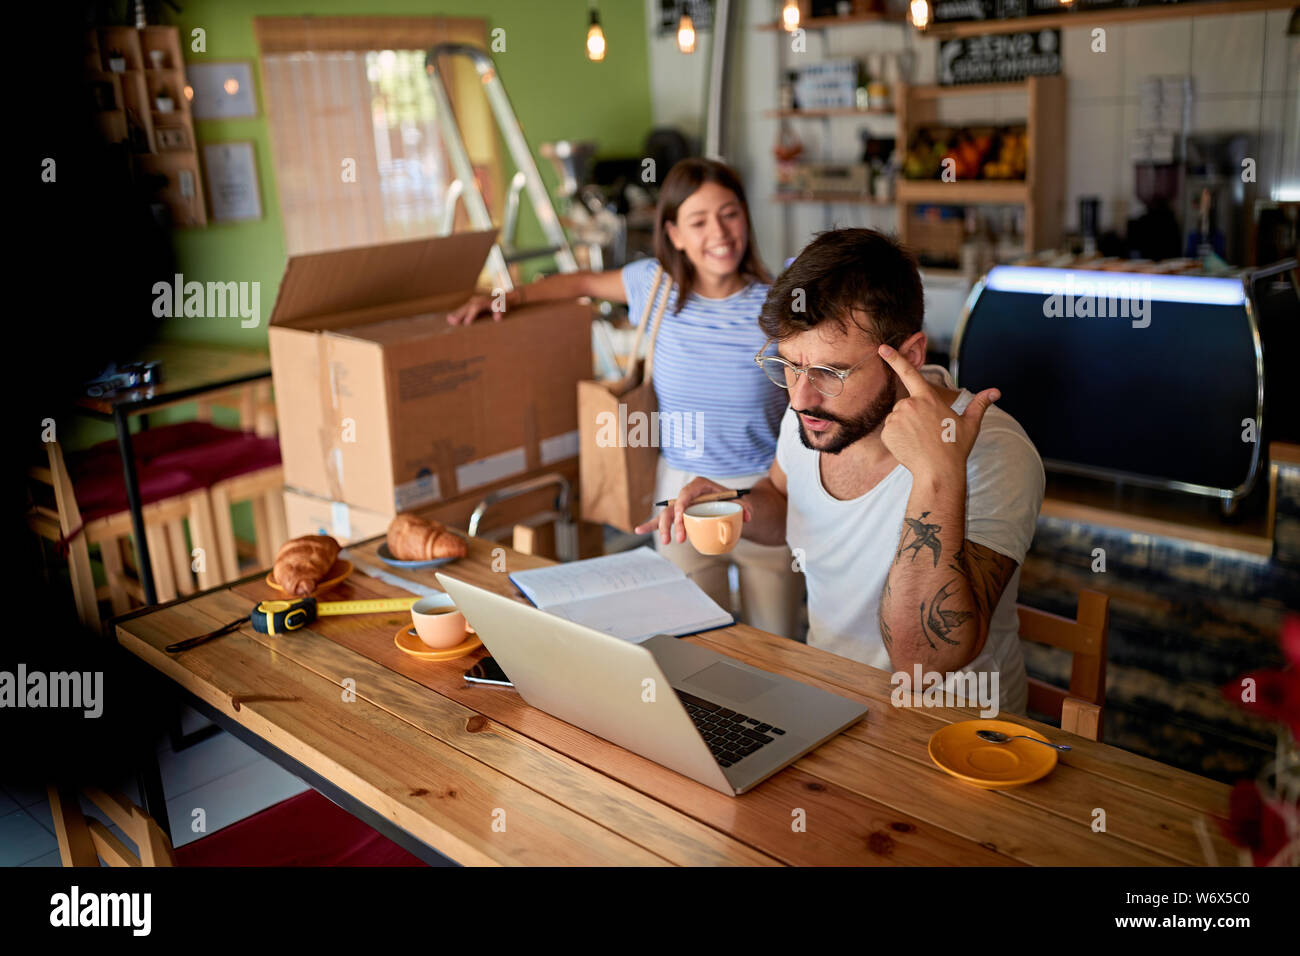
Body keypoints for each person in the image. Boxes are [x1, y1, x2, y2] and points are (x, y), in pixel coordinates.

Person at [637, 229, 1044, 713]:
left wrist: (938, 474)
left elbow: (919, 663)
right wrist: (736, 505)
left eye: (831, 373)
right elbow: (786, 502)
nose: (799, 398)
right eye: (788, 365)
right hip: (825, 704)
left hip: (953, 736)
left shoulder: (991, 450)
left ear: (909, 357)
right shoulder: (813, 417)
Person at [448, 158, 805, 640]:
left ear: (745, 216)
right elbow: (578, 283)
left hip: (766, 493)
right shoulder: (653, 285)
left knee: (780, 644)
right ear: (674, 234)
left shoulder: (777, 303)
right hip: (679, 495)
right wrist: (504, 299)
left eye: (729, 214)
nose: (718, 232)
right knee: (702, 643)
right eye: (698, 221)